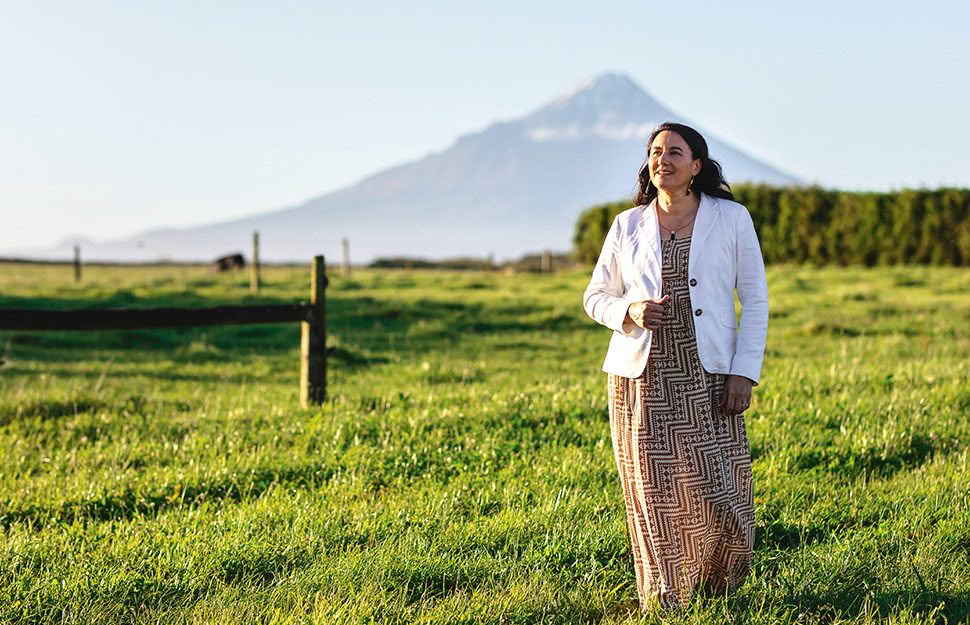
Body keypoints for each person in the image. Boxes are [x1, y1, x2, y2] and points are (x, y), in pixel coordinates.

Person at [582, 122, 769, 611]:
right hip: (643, 378)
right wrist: (630, 311)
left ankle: (717, 586)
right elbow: (594, 296)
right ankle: (665, 598)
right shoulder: (627, 224)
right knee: (654, 493)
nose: (662, 160)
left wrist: (744, 371)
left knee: (720, 491)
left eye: (674, 152)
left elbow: (755, 299)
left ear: (696, 166)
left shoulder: (732, 218)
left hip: (709, 373)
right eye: (655, 151)